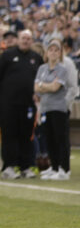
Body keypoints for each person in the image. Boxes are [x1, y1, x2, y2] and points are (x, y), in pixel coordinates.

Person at [0, 29, 43, 179]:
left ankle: (26, 166)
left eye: (28, 38)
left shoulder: (36, 58)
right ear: (18, 40)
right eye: (23, 38)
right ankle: (9, 166)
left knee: (26, 135)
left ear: (32, 41)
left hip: (28, 105)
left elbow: (41, 79)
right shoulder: (7, 55)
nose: (25, 41)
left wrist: (39, 95)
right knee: (9, 135)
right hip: (8, 104)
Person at [33, 37, 77, 180]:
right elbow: (36, 89)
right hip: (45, 107)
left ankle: (64, 169)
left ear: (60, 53)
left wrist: (43, 85)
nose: (53, 53)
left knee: (60, 139)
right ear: (47, 53)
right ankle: (54, 166)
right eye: (50, 50)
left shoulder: (62, 69)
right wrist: (47, 86)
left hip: (58, 107)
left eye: (56, 50)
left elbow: (55, 87)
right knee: (49, 138)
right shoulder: (42, 68)